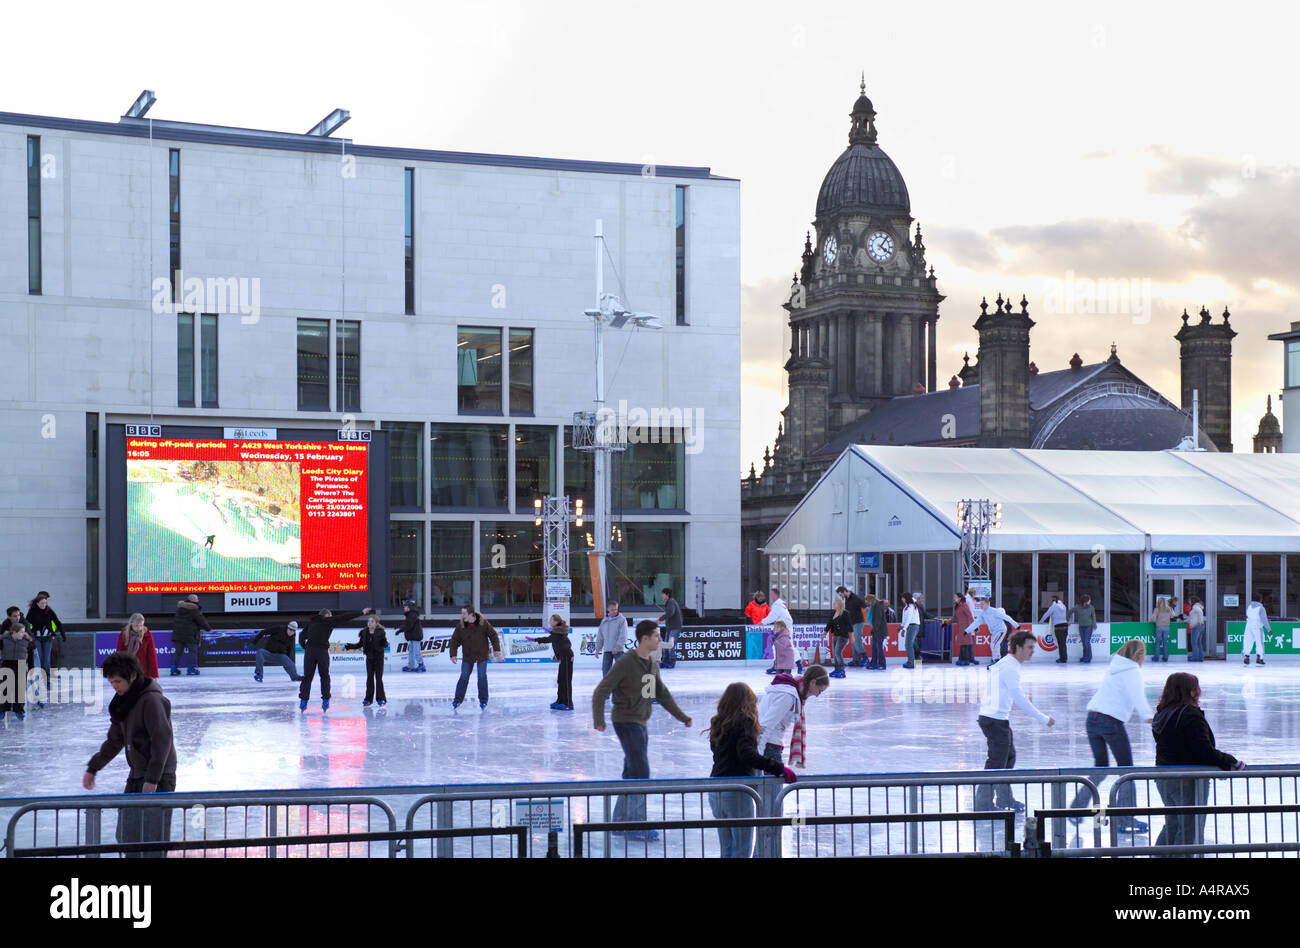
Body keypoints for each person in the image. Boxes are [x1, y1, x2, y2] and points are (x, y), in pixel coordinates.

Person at [592, 620, 692, 841]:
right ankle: (636, 824)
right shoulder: (626, 662)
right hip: (626, 722)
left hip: (641, 723)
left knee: (632, 773)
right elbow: (601, 691)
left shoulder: (651, 663)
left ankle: (618, 823)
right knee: (641, 773)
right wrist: (598, 720)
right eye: (657, 636)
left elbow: (661, 693)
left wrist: (682, 717)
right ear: (645, 638)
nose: (660, 639)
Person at [83, 653, 178, 858]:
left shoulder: (151, 700)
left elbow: (162, 740)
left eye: (118, 681)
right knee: (127, 834)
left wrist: (153, 778)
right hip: (137, 774)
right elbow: (114, 740)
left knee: (153, 839)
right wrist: (94, 767)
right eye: (111, 682)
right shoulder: (123, 703)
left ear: (132, 676)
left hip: (159, 776)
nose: (114, 686)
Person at [1068, 640, 1154, 832]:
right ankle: (1125, 819)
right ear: (1139, 655)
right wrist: (1150, 718)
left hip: (1092, 719)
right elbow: (1138, 697)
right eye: (1143, 655)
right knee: (1127, 771)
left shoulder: (1114, 668)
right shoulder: (1132, 672)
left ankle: (1076, 808)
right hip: (1110, 722)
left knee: (1101, 768)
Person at [1151, 672, 1245, 849]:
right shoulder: (1190, 715)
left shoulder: (1162, 713)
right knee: (1189, 828)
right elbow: (1203, 750)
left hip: (1164, 777)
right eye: (1196, 687)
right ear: (1191, 691)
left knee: (1173, 824)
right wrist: (1230, 761)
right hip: (1187, 780)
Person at [705, 682, 797, 858]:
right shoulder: (745, 722)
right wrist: (779, 767)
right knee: (741, 849)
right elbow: (747, 755)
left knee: (727, 848)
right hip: (737, 792)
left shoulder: (718, 722)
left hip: (715, 790)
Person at [974, 630, 1056, 812]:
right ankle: (983, 804)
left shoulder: (1008, 663)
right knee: (996, 762)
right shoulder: (1010, 667)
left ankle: (1005, 799)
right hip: (994, 720)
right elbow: (1019, 698)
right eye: (1029, 647)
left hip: (996, 718)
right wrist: (1043, 718)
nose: (1032, 651)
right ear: (1018, 647)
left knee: (1007, 758)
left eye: (1033, 647)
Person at [297, 607, 373, 712]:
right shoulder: (328, 621)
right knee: (324, 675)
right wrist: (361, 612)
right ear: (326, 615)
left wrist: (305, 647)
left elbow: (301, 637)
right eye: (330, 616)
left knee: (308, 677)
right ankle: (326, 699)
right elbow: (344, 617)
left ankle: (303, 701)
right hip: (321, 651)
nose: (332, 618)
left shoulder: (311, 622)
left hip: (310, 651)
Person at [756, 665, 831, 765]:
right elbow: (766, 725)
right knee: (774, 780)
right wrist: (758, 756)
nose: (817, 695)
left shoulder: (794, 693)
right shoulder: (788, 696)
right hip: (768, 746)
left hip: (770, 744)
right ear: (813, 682)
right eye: (820, 691)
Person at [449, 606, 502, 710]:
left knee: (481, 677)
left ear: (471, 614)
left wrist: (496, 649)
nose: (462, 616)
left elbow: (493, 635)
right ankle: (457, 700)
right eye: (461, 613)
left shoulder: (483, 623)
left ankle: (483, 701)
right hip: (468, 656)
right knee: (464, 677)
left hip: (481, 655)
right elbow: (454, 640)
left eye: (464, 613)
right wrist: (453, 654)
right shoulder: (461, 626)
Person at [529, 614, 574, 710]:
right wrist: (550, 631)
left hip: (567, 656)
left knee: (565, 680)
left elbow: (549, 639)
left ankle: (568, 703)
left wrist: (535, 639)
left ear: (556, 622)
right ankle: (560, 700)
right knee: (560, 680)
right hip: (563, 657)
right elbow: (554, 636)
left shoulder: (558, 631)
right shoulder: (558, 630)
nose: (549, 622)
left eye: (551, 620)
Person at [344, 614, 389, 707]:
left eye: (372, 621)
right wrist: (350, 646)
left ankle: (381, 699)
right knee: (369, 678)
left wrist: (384, 643)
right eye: (368, 621)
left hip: (379, 658)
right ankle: (368, 699)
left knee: (378, 679)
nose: (369, 623)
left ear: (376, 623)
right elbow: (360, 644)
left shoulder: (381, 632)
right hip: (369, 658)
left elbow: (384, 644)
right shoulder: (364, 632)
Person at [25, 591, 64, 696]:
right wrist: (29, 635)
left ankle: (46, 682)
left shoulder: (49, 610)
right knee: (39, 661)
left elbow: (57, 622)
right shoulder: (32, 611)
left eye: (45, 603)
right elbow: (26, 623)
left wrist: (63, 634)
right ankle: (38, 682)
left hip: (47, 638)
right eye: (42, 603)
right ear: (37, 603)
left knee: (46, 661)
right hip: (37, 638)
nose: (44, 605)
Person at [967, 597, 1017, 667]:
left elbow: (1009, 630)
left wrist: (1007, 638)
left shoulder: (1006, 622)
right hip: (999, 636)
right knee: (995, 647)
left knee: (1002, 650)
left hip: (1004, 639)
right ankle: (996, 661)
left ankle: (1001, 662)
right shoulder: (995, 618)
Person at [1, 612, 33, 720]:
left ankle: (19, 710)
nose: (23, 634)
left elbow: (31, 654)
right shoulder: (4, 640)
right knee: (4, 688)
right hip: (7, 664)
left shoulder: (26, 641)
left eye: (24, 632)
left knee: (19, 689)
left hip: (21, 664)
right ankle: (2, 710)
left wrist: (32, 667)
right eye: (21, 632)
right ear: (14, 632)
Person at [170, 594, 211, 677]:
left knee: (178, 652)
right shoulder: (194, 609)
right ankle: (191, 669)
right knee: (192, 652)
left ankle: (173, 668)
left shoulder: (180, 609)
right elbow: (201, 620)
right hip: (190, 634)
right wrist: (208, 628)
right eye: (197, 599)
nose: (198, 600)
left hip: (178, 634)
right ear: (194, 600)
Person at [759, 587, 794, 675]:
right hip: (783, 627)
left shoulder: (778, 605)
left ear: (775, 594)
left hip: (784, 628)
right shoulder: (780, 604)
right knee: (784, 647)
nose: (770, 595)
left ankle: (779, 666)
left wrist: (762, 622)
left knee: (780, 647)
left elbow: (772, 617)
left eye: (771, 594)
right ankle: (778, 665)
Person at [116, 613, 159, 679]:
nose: (139, 628)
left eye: (141, 625)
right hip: (127, 671)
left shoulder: (147, 635)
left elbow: (151, 655)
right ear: (131, 624)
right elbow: (119, 654)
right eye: (136, 626)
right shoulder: (123, 634)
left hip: (142, 672)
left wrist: (154, 675)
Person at [836, 585, 868, 667]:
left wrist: (869, 618)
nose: (841, 596)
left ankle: (865, 657)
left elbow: (865, 606)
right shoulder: (847, 599)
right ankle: (856, 660)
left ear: (844, 592)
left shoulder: (855, 598)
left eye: (841, 594)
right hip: (852, 623)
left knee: (856, 640)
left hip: (858, 622)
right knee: (853, 641)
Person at [596, 601, 630, 675]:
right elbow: (600, 636)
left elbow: (623, 635)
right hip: (607, 649)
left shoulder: (622, 620)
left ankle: (622, 685)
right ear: (608, 609)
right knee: (605, 670)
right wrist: (598, 649)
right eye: (612, 609)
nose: (614, 611)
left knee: (621, 670)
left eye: (616, 609)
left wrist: (617, 647)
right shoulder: (604, 621)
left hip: (618, 651)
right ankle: (606, 685)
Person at [824, 597, 853, 678]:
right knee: (835, 653)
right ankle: (837, 669)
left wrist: (852, 636)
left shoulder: (845, 613)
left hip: (843, 636)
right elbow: (829, 623)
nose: (833, 605)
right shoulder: (834, 613)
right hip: (836, 636)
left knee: (837, 652)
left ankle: (841, 670)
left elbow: (849, 625)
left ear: (839, 605)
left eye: (835, 604)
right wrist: (824, 633)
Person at [397, 600, 425, 672]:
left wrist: (400, 630)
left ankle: (421, 665)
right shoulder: (410, 615)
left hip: (415, 636)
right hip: (412, 636)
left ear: (410, 607)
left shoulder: (412, 615)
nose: (404, 608)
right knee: (411, 651)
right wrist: (400, 627)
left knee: (416, 651)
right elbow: (408, 624)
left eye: (405, 606)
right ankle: (411, 666)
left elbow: (409, 625)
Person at [1068, 594, 1097, 664]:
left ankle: (1088, 657)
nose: (1090, 601)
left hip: (1088, 627)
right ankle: (1084, 656)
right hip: (1081, 626)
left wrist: (1094, 626)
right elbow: (1070, 611)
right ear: (1085, 601)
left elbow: (1094, 617)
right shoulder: (1078, 607)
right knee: (1084, 643)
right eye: (1089, 600)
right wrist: (1068, 620)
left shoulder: (1091, 607)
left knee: (1087, 642)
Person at [658, 588, 683, 669]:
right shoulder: (669, 602)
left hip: (675, 628)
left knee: (670, 645)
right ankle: (665, 661)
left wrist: (660, 619)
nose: (662, 596)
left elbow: (670, 613)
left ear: (667, 594)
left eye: (663, 594)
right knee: (666, 645)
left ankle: (671, 662)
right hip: (670, 627)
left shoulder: (671, 602)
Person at [1040, 594, 1068, 664]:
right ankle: (1064, 657)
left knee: (1061, 644)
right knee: (1063, 643)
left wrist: (1040, 622)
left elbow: (1046, 614)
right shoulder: (1064, 606)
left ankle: (1063, 659)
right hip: (1065, 626)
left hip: (1058, 627)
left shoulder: (1053, 606)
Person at [1242, 596, 1270, 666]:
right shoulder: (1261, 608)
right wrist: (1268, 629)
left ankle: (1246, 656)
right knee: (1259, 642)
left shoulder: (1249, 607)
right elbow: (1264, 619)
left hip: (1248, 626)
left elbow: (1247, 615)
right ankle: (1260, 657)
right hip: (1257, 626)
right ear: (1260, 600)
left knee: (1247, 641)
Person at [952, 593, 975, 665]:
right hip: (961, 628)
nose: (954, 598)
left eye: (955, 597)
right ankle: (963, 659)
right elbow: (955, 617)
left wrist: (974, 626)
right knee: (963, 644)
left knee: (965, 644)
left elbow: (970, 615)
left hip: (965, 627)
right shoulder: (958, 606)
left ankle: (966, 660)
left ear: (959, 598)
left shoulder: (964, 605)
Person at [866, 593, 888, 669]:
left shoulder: (878, 606)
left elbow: (878, 619)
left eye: (868, 602)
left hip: (880, 630)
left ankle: (882, 664)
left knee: (879, 647)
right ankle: (873, 663)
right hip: (876, 630)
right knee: (874, 647)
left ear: (871, 600)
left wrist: (875, 629)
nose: (868, 604)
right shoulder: (874, 606)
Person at [1150, 596, 1174, 663]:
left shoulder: (1157, 609)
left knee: (1157, 643)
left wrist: (1153, 620)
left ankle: (1156, 657)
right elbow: (1172, 616)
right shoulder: (1169, 609)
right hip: (1166, 627)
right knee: (1165, 642)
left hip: (1159, 627)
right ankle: (1165, 657)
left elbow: (1153, 619)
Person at [901, 594, 921, 670]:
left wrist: (904, 629)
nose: (902, 600)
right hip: (912, 626)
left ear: (906, 599)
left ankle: (911, 662)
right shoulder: (907, 607)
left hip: (913, 626)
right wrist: (902, 626)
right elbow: (905, 619)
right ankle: (913, 661)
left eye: (903, 598)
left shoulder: (911, 607)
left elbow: (908, 619)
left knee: (909, 644)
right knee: (911, 644)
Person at [1186, 598, 1206, 662]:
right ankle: (1200, 657)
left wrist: (1200, 622)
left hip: (1196, 626)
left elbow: (1200, 614)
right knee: (1198, 642)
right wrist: (1185, 621)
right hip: (1199, 626)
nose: (1188, 601)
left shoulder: (1195, 607)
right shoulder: (1198, 607)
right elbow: (1192, 617)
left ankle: (1195, 657)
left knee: (1194, 642)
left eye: (1189, 600)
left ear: (1192, 601)